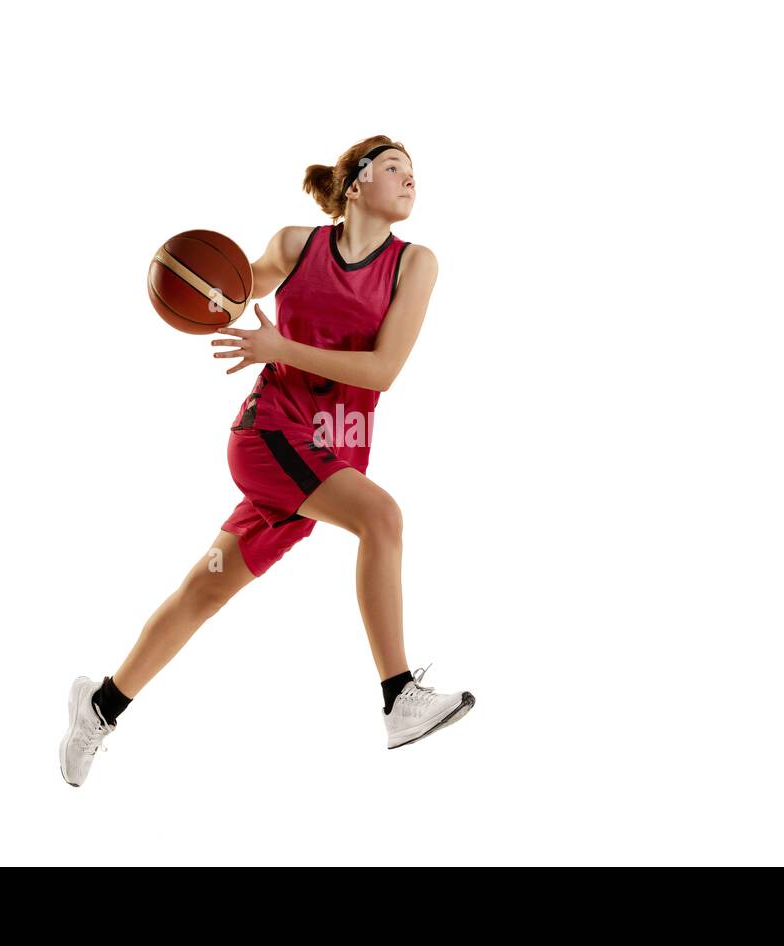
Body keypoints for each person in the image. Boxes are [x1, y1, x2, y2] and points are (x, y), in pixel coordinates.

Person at [60, 136, 474, 787]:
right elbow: (227, 291)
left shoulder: (415, 264)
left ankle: (101, 705)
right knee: (382, 518)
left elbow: (383, 369)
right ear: (356, 185)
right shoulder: (295, 246)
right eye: (394, 166)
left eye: (413, 170)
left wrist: (281, 347)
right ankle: (399, 696)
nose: (409, 178)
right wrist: (189, 277)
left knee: (205, 588)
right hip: (271, 436)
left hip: (326, 454)